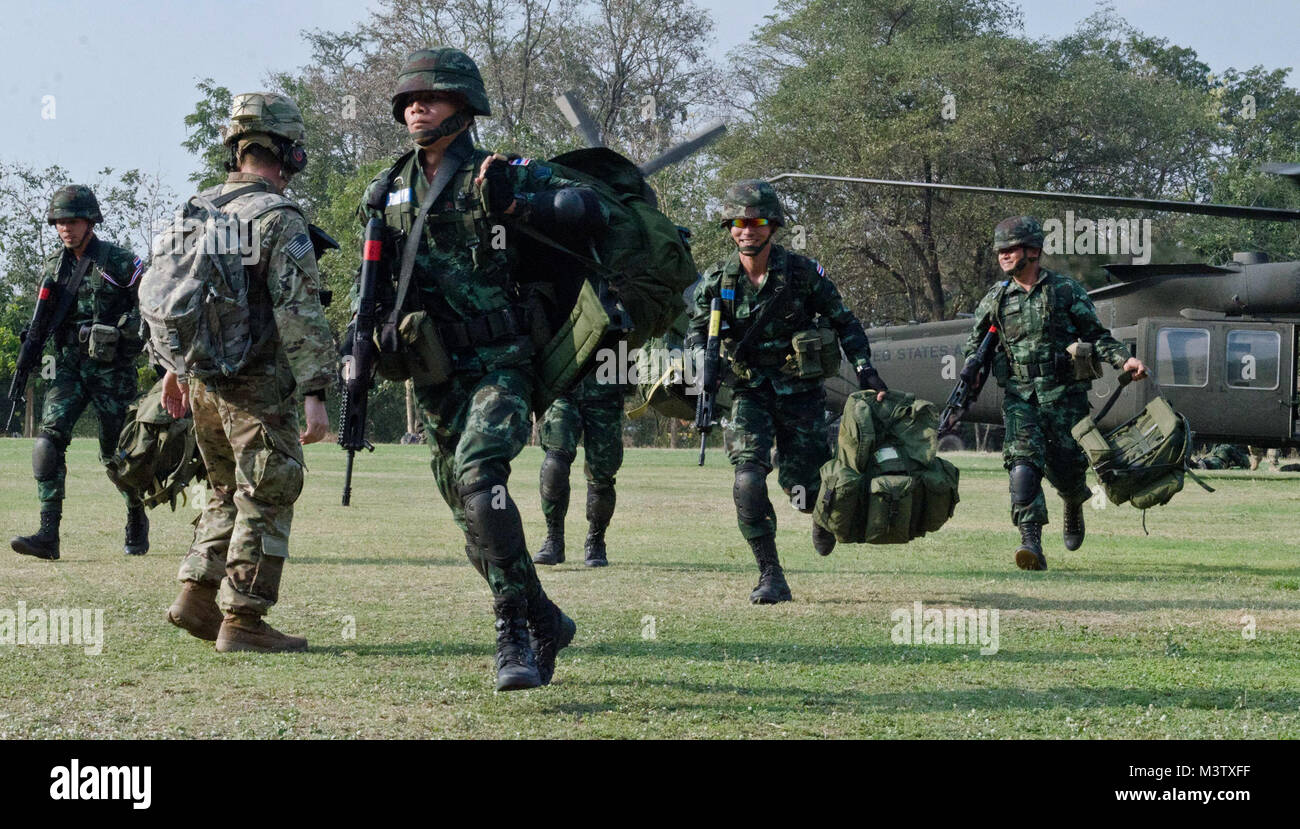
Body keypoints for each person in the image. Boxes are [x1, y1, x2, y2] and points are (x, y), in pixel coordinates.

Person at [355, 48, 590, 689]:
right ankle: (543, 616)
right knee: (471, 513)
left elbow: (588, 210)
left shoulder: (499, 172)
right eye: (406, 100)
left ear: (465, 106)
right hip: (433, 371)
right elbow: (368, 284)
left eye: (429, 97)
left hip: (501, 361)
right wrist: (358, 355)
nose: (414, 108)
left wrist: (517, 208)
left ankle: (512, 632)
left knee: (481, 473)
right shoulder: (388, 189)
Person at [160, 92, 337, 653]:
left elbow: (167, 297)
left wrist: (170, 368)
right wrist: (315, 390)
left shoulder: (198, 208)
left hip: (203, 382)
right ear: (289, 153)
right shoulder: (279, 218)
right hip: (258, 384)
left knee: (221, 490)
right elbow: (299, 312)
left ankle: (194, 594)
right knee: (268, 491)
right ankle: (244, 619)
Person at [686, 179, 885, 604]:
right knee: (748, 479)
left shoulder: (801, 273)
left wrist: (866, 370)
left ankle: (820, 514)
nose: (747, 230)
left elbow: (845, 322)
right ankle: (770, 573)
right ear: (729, 227)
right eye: (738, 223)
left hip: (800, 392)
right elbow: (697, 331)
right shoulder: (717, 280)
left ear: (772, 225)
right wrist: (699, 365)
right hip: (748, 392)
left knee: (805, 487)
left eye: (756, 222)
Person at [962, 216, 1148, 571]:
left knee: (1067, 470)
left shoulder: (1064, 290)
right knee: (1022, 464)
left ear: (1032, 251)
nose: (1002, 255)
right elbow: (974, 348)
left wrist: (1124, 360)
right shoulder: (996, 298)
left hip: (1065, 397)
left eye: (1010, 249)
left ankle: (1073, 501)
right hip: (1021, 397)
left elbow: (1097, 335)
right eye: (999, 250)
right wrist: (970, 369)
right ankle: (1030, 541)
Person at [11, 186, 147, 561]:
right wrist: (31, 345)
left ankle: (135, 513)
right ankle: (48, 535)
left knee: (116, 457)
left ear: (90, 221)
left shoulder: (120, 262)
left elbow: (152, 307)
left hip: (112, 370)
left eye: (72, 221)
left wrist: (119, 331)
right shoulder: (54, 266)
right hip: (69, 366)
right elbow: (43, 318)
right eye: (59, 223)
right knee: (48, 443)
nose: (65, 229)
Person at [533, 371, 625, 567]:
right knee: (554, 466)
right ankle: (554, 540)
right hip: (563, 387)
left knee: (602, 476)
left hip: (607, 390)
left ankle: (596, 541)